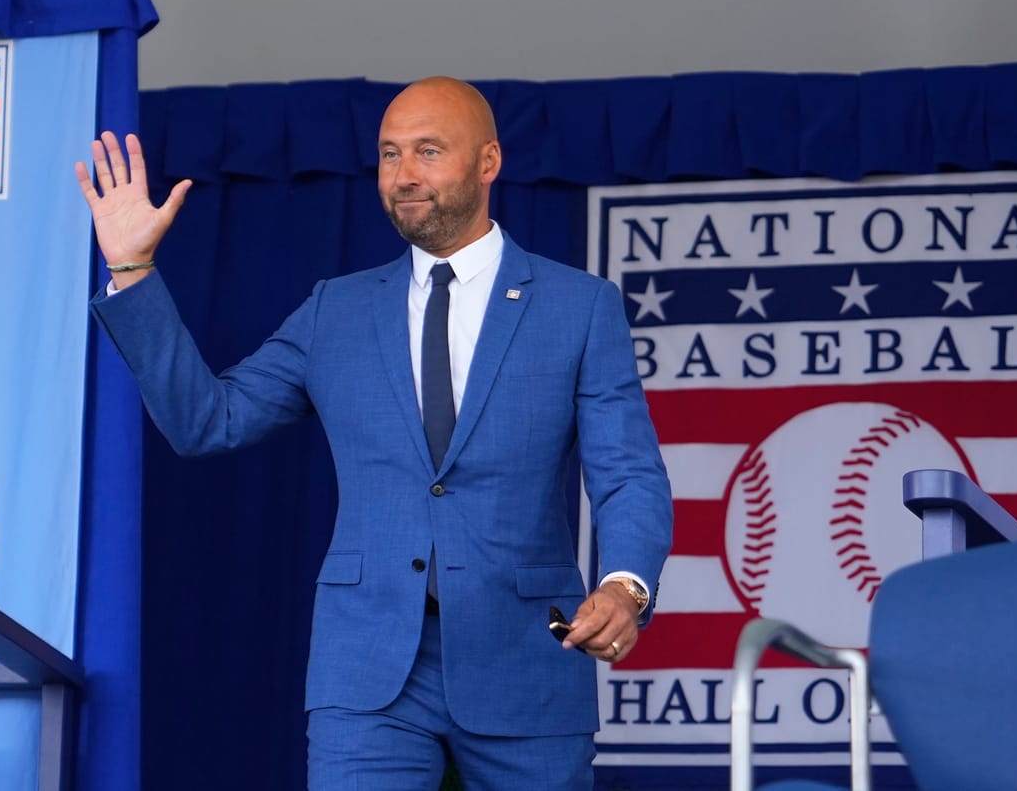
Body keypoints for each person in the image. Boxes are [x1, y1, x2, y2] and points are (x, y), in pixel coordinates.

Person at [76, 76, 672, 790]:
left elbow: (627, 471)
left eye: (428, 151)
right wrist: (133, 270)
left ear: (488, 163)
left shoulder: (579, 306)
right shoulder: (338, 310)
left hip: (524, 659)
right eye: (390, 155)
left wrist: (624, 586)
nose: (404, 175)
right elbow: (210, 420)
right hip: (367, 670)